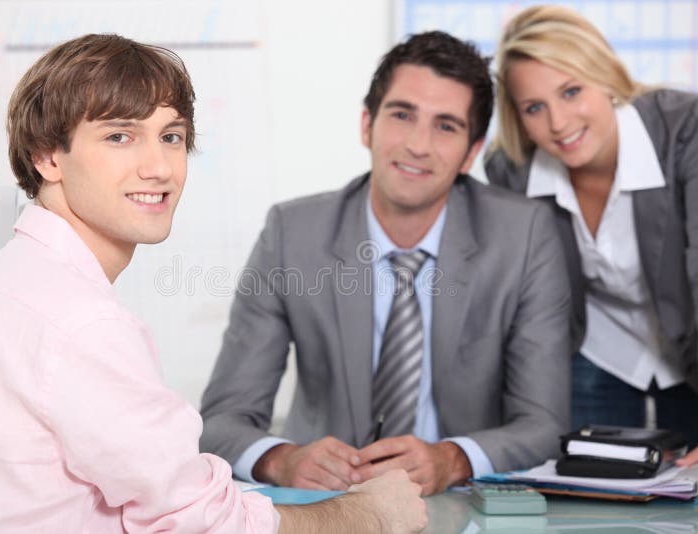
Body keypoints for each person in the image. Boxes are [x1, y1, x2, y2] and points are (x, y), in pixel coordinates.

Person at [0, 34, 428, 533]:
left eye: (171, 137)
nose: (159, 168)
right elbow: (206, 526)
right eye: (119, 136)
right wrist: (371, 516)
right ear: (47, 156)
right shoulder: (82, 324)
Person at [200, 30, 571, 496]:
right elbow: (221, 419)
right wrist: (282, 460)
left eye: (446, 126)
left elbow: (544, 423)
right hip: (325, 500)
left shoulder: (525, 236)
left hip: (463, 498)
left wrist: (454, 458)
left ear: (471, 153)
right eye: (402, 115)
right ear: (366, 124)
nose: (418, 144)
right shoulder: (292, 234)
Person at [485, 4, 698, 451]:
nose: (558, 124)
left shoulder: (690, 132)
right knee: (593, 495)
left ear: (604, 74)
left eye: (570, 92)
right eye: (534, 107)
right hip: (597, 348)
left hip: (692, 344)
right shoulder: (511, 170)